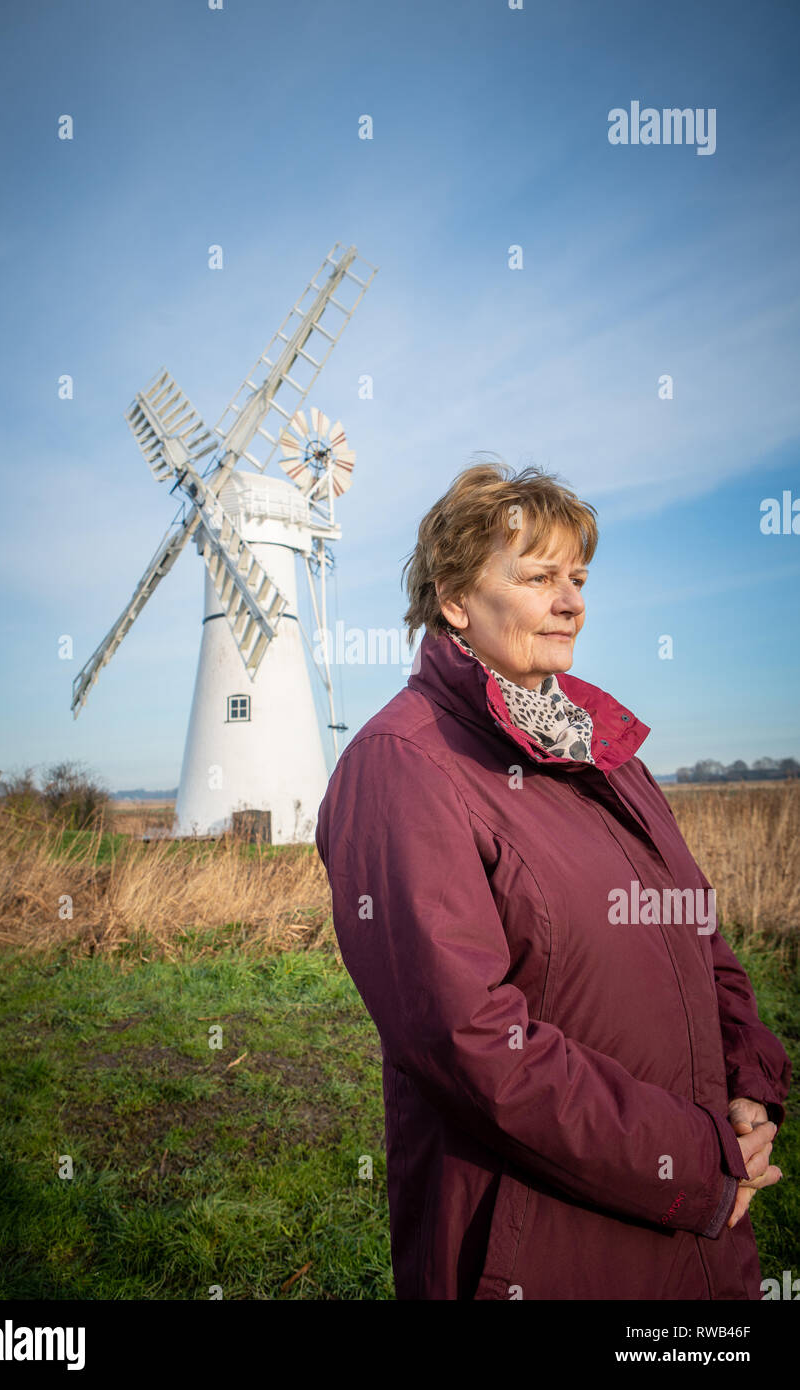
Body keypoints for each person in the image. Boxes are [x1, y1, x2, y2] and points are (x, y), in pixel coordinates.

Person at [315, 461, 791, 1300]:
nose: (571, 600)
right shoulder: (403, 766)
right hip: (541, 1247)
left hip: (700, 1238)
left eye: (577, 577)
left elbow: (697, 932)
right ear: (456, 599)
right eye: (538, 577)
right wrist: (693, 1157)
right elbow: (471, 1042)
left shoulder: (604, 746)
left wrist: (749, 1095)